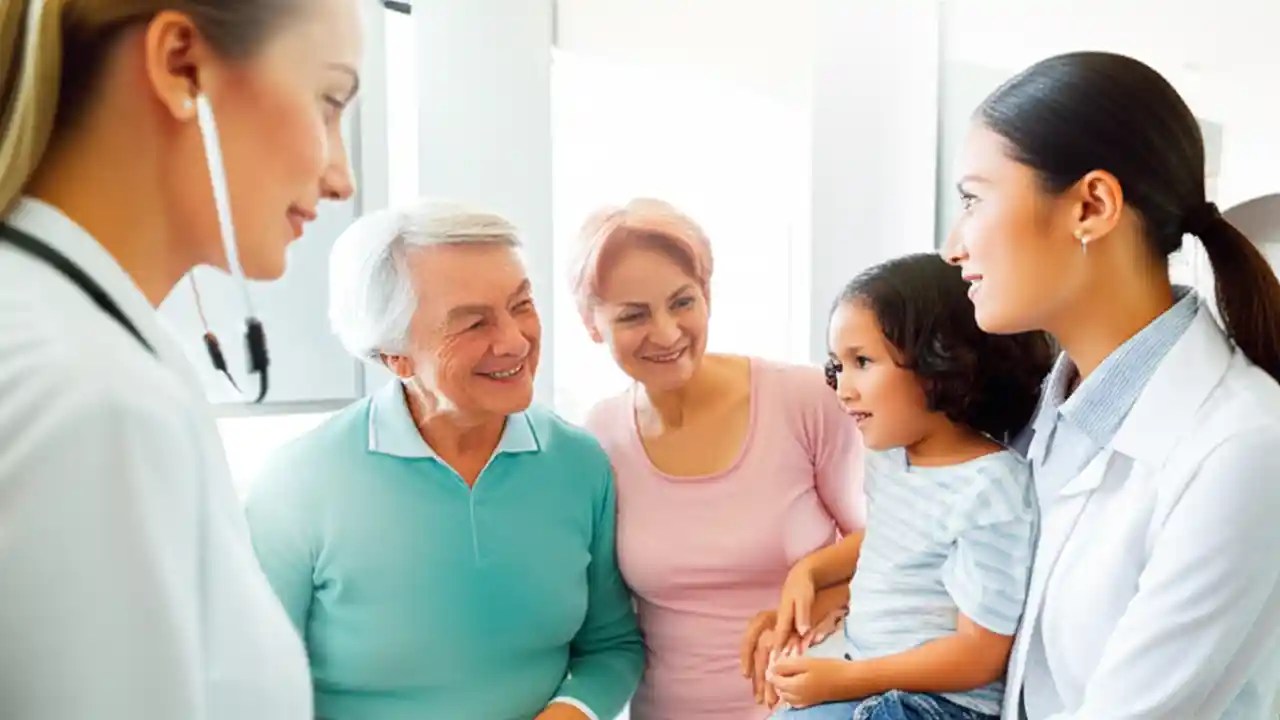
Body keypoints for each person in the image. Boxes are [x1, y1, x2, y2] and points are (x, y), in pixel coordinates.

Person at [0, 1, 359, 717]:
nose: (341, 177)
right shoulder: (90, 397)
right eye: (327, 101)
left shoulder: (74, 339)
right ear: (180, 65)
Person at [943, 51, 1280, 719]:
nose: (954, 244)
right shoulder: (1042, 416)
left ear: (1091, 206)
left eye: (974, 200)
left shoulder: (1243, 449)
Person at [245, 199, 644, 720]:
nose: (515, 339)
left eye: (521, 304)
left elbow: (612, 646)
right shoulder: (300, 483)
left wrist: (570, 713)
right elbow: (252, 687)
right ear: (395, 356)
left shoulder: (578, 463)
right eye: (473, 324)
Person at [569, 197, 866, 719]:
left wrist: (820, 586)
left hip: (813, 708)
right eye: (633, 315)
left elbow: (900, 544)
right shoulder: (599, 436)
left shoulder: (805, 399)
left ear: (707, 295)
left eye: (682, 302)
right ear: (593, 324)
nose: (665, 332)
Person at [761, 253, 1053, 719]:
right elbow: (891, 542)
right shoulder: (889, 455)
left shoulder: (990, 488)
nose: (843, 389)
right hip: (866, 671)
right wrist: (810, 573)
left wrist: (846, 680)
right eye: (838, 365)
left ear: (939, 361)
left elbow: (979, 655)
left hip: (937, 703)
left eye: (862, 362)